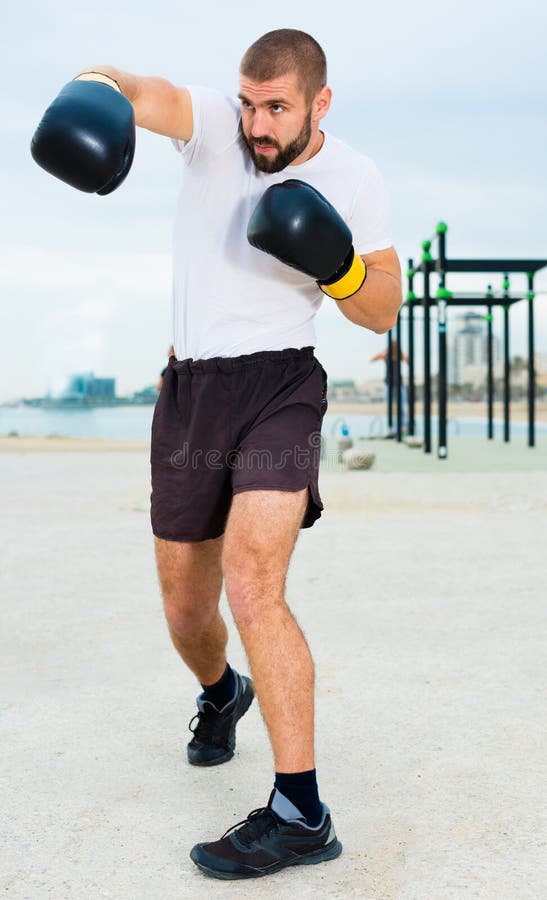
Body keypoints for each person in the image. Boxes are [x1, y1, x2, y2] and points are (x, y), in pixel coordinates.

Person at [31, 29, 402, 880]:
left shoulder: (354, 176)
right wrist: (97, 83)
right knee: (188, 615)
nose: (256, 123)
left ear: (318, 103)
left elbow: (381, 307)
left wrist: (338, 267)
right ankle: (219, 690)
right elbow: (141, 88)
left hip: (281, 389)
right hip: (192, 393)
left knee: (252, 582)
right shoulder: (211, 128)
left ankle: (298, 810)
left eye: (275, 107)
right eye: (248, 101)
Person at [370, 339, 409, 432]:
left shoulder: (399, 355)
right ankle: (392, 427)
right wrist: (382, 353)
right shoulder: (386, 355)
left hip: (399, 384)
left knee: (401, 407)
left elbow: (408, 361)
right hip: (388, 384)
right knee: (390, 406)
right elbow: (372, 359)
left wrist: (402, 354)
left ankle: (403, 426)